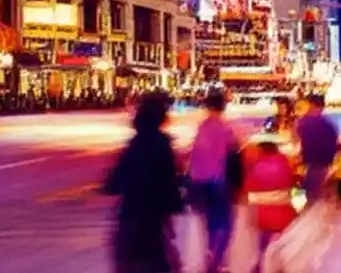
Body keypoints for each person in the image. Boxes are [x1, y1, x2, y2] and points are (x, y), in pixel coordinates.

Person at [105, 91, 184, 273]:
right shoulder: (162, 146)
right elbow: (169, 184)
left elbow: (114, 183)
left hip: (130, 218)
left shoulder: (134, 145)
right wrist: (175, 203)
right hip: (151, 224)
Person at [189, 90, 238, 273]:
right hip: (218, 181)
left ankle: (212, 253)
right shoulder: (226, 129)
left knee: (210, 222)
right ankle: (217, 260)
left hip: (199, 181)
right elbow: (233, 156)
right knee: (224, 223)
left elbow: (194, 156)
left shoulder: (202, 128)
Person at [244, 136, 297, 272]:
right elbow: (291, 182)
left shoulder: (255, 165)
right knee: (281, 238)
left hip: (261, 210)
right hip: (282, 208)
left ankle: (260, 263)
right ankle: (280, 264)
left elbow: (248, 186)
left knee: (263, 238)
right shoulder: (284, 163)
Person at [295, 94, 339, 202]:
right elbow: (333, 143)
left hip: (311, 163)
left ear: (312, 105)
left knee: (305, 191)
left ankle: (300, 209)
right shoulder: (328, 123)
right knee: (311, 191)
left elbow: (299, 141)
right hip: (320, 163)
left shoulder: (305, 122)